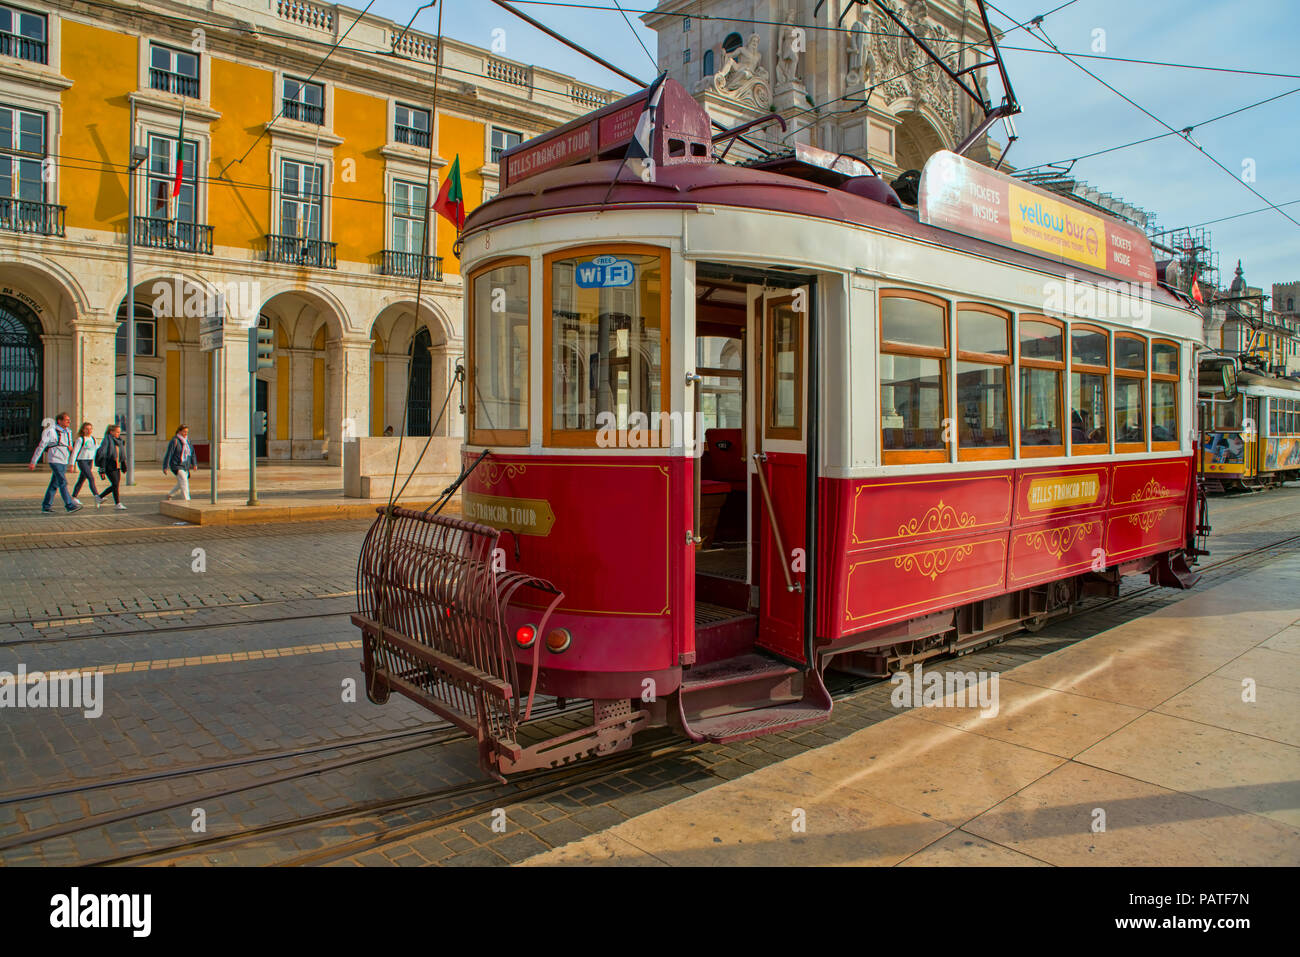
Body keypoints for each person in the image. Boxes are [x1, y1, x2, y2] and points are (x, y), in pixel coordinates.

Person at [28, 412, 82, 513]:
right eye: (66, 420)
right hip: (55, 459)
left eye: (69, 420)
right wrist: (33, 461)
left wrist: (70, 457)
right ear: (59, 421)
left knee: (54, 484)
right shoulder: (51, 431)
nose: (69, 422)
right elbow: (42, 446)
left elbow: (69, 445)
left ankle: (46, 506)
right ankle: (69, 505)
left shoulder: (68, 431)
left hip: (64, 460)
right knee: (63, 482)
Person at [95, 423, 128, 509]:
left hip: (117, 465)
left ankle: (99, 497)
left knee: (115, 485)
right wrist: (102, 469)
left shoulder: (119, 441)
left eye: (119, 432)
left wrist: (124, 464)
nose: (118, 434)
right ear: (111, 432)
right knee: (115, 484)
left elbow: (121, 454)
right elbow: (103, 455)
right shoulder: (107, 440)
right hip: (109, 465)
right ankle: (117, 503)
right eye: (117, 432)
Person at [70, 422, 102, 507]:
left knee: (81, 480)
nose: (89, 431)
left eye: (90, 429)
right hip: (82, 461)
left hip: (89, 461)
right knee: (91, 478)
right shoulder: (81, 439)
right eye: (87, 429)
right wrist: (72, 464)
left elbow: (98, 449)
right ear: (83, 430)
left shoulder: (93, 439)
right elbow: (75, 451)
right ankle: (97, 496)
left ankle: (73, 497)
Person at [162, 424, 197, 501]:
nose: (186, 433)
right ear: (179, 431)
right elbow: (169, 454)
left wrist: (194, 464)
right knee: (184, 482)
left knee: (181, 482)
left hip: (185, 465)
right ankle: (187, 500)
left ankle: (170, 494)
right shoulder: (175, 441)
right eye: (184, 432)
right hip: (176, 465)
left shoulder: (188, 441)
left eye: (187, 432)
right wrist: (165, 466)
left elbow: (192, 453)